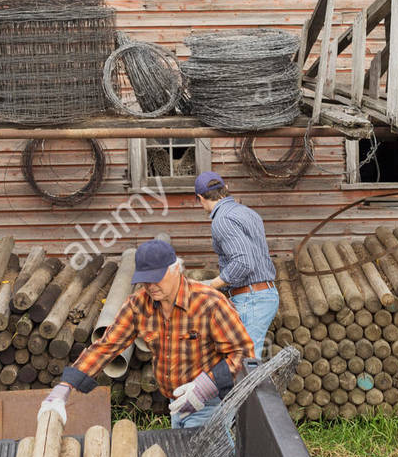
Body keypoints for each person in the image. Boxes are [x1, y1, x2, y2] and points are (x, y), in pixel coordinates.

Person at [41, 238, 253, 430]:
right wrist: (65, 386)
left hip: (208, 403)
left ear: (176, 269)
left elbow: (243, 353)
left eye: (156, 279)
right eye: (145, 280)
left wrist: (206, 385)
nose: (150, 286)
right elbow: (106, 346)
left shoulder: (209, 303)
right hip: (175, 403)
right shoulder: (138, 305)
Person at [193, 171, 278, 360]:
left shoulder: (221, 220)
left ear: (200, 198)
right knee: (244, 362)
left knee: (244, 364)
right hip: (261, 294)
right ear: (226, 189)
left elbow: (243, 262)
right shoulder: (248, 212)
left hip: (251, 299)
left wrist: (210, 285)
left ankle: (254, 390)